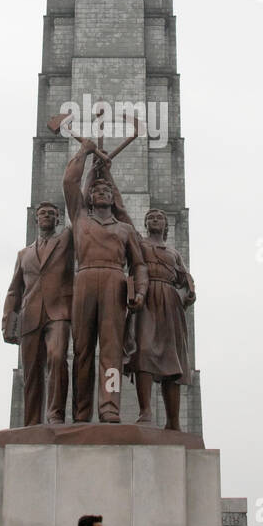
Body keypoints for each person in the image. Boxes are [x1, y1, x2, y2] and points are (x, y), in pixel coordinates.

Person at [62, 140, 148, 422]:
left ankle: (109, 406)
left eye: (106, 190)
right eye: (96, 189)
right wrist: (84, 152)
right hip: (85, 279)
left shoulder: (125, 229)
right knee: (82, 349)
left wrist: (141, 291)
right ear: (89, 196)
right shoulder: (80, 218)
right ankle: (81, 410)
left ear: (113, 197)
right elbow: (69, 180)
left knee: (111, 349)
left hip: (114, 281)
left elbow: (139, 265)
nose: (100, 192)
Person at [2, 203, 73, 425]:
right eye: (43, 214)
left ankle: (55, 414)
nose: (47, 217)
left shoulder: (64, 242)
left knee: (57, 357)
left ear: (58, 219)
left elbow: (76, 209)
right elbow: (14, 290)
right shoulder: (23, 254)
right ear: (36, 219)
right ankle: (31, 422)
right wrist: (8, 323)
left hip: (58, 313)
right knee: (31, 371)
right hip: (30, 316)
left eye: (52, 214)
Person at [125, 208, 195, 430]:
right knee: (143, 350)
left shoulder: (173, 253)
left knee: (171, 359)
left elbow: (187, 281)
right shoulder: (140, 244)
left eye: (160, 218)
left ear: (166, 226)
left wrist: (185, 295)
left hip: (170, 303)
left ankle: (173, 421)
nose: (155, 220)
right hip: (145, 298)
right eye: (151, 218)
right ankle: (145, 411)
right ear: (146, 224)